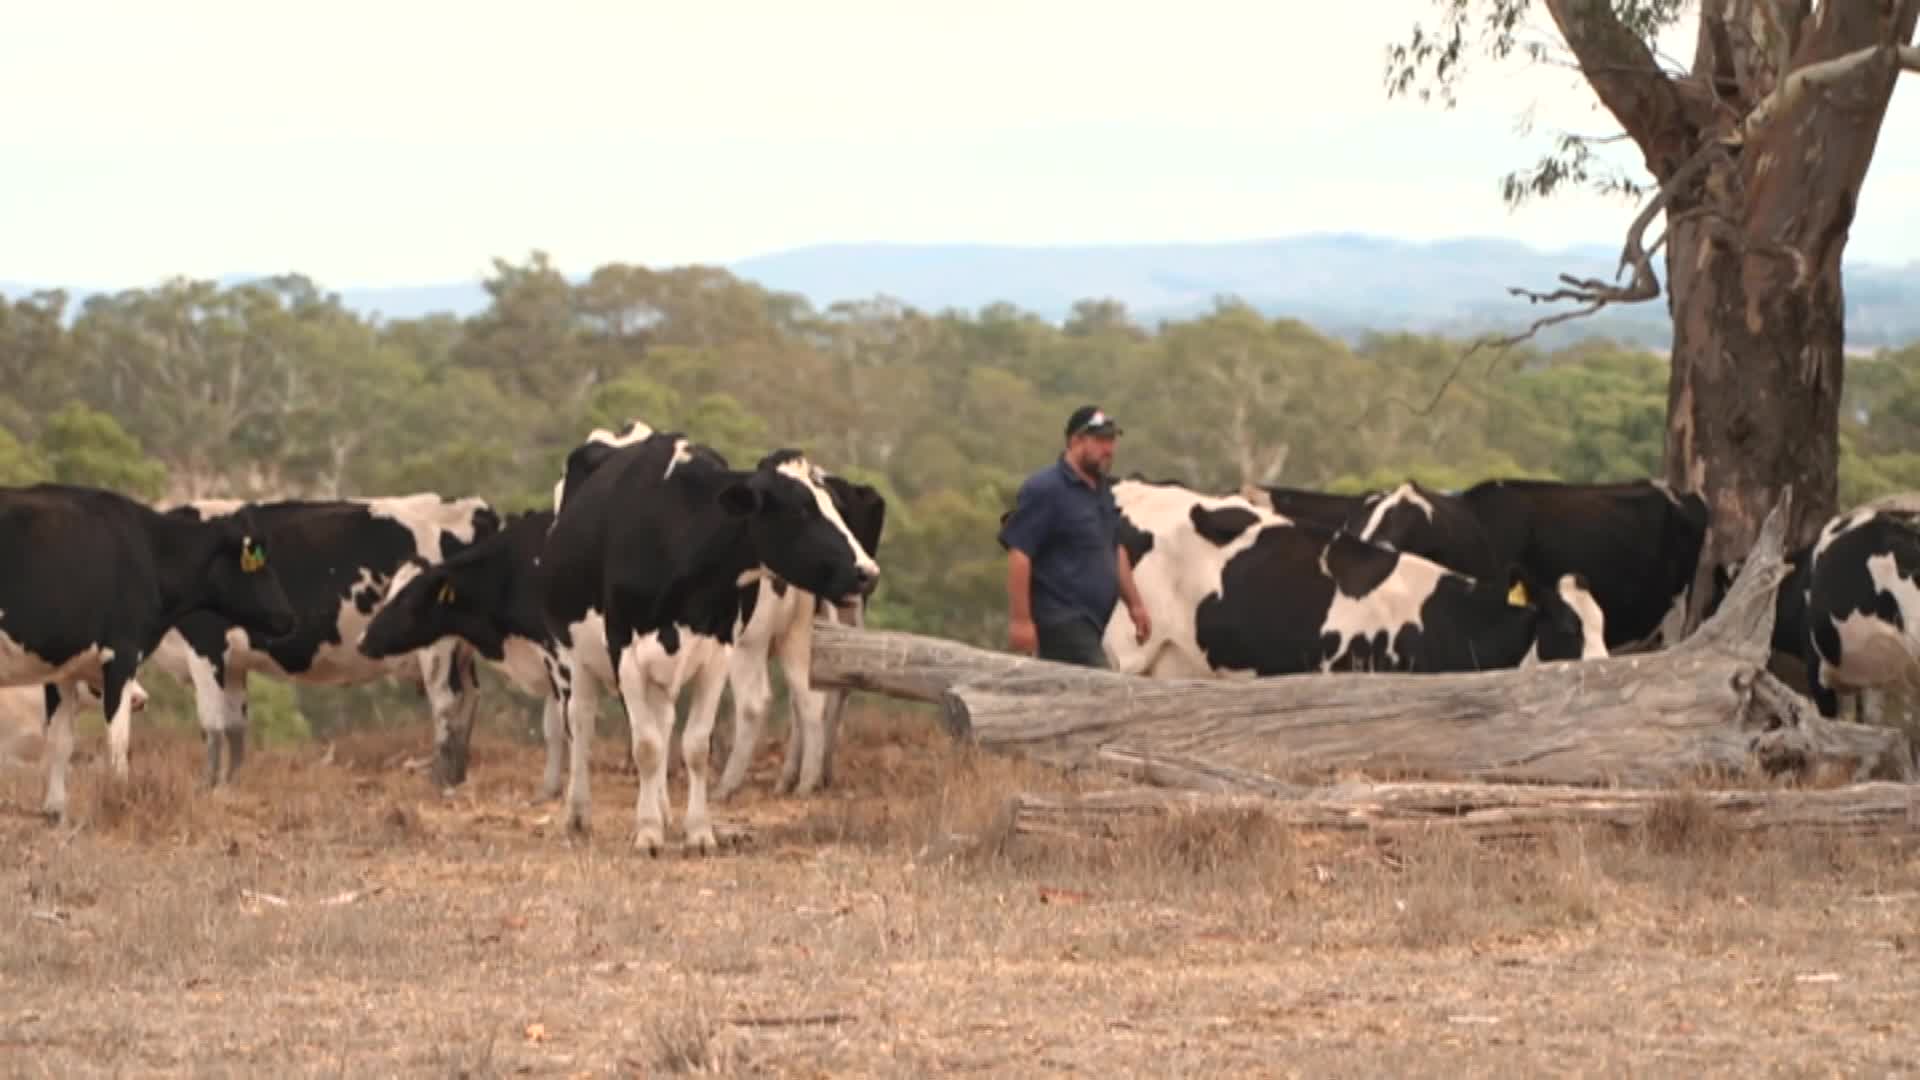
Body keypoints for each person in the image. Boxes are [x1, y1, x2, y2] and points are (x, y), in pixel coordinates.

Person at [997, 405, 1152, 667]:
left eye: (1112, 441)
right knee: (1104, 690)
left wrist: (1135, 605)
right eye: (1101, 440)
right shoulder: (1046, 488)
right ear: (1075, 441)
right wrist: (1021, 622)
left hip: (1094, 623)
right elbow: (1019, 553)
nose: (1109, 449)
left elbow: (1114, 549)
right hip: (1059, 619)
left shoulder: (1102, 490)